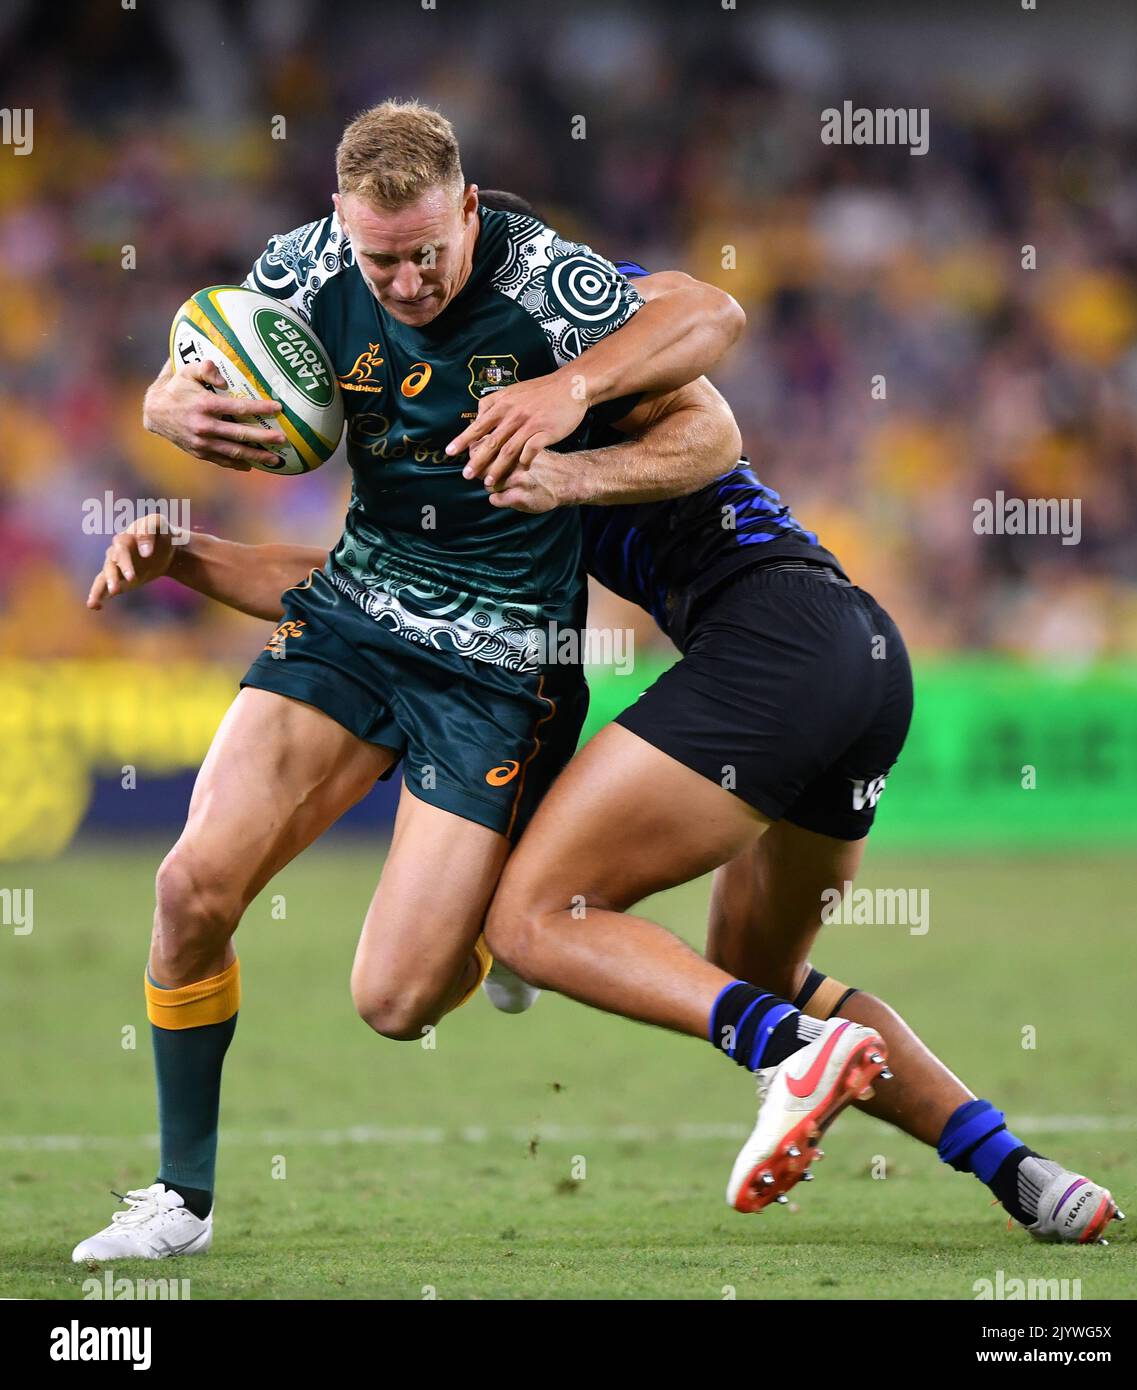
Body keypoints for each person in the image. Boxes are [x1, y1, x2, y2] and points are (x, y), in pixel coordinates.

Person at [69, 100, 748, 1263]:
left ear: (469, 209)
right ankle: (180, 1200)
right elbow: (193, 362)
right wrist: (162, 406)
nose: (410, 278)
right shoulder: (304, 267)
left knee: (392, 1005)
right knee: (189, 891)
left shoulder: (540, 277)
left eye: (430, 249)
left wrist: (571, 397)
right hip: (352, 614)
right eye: (382, 256)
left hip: (502, 666)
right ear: (340, 221)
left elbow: (715, 320)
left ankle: (500, 913)